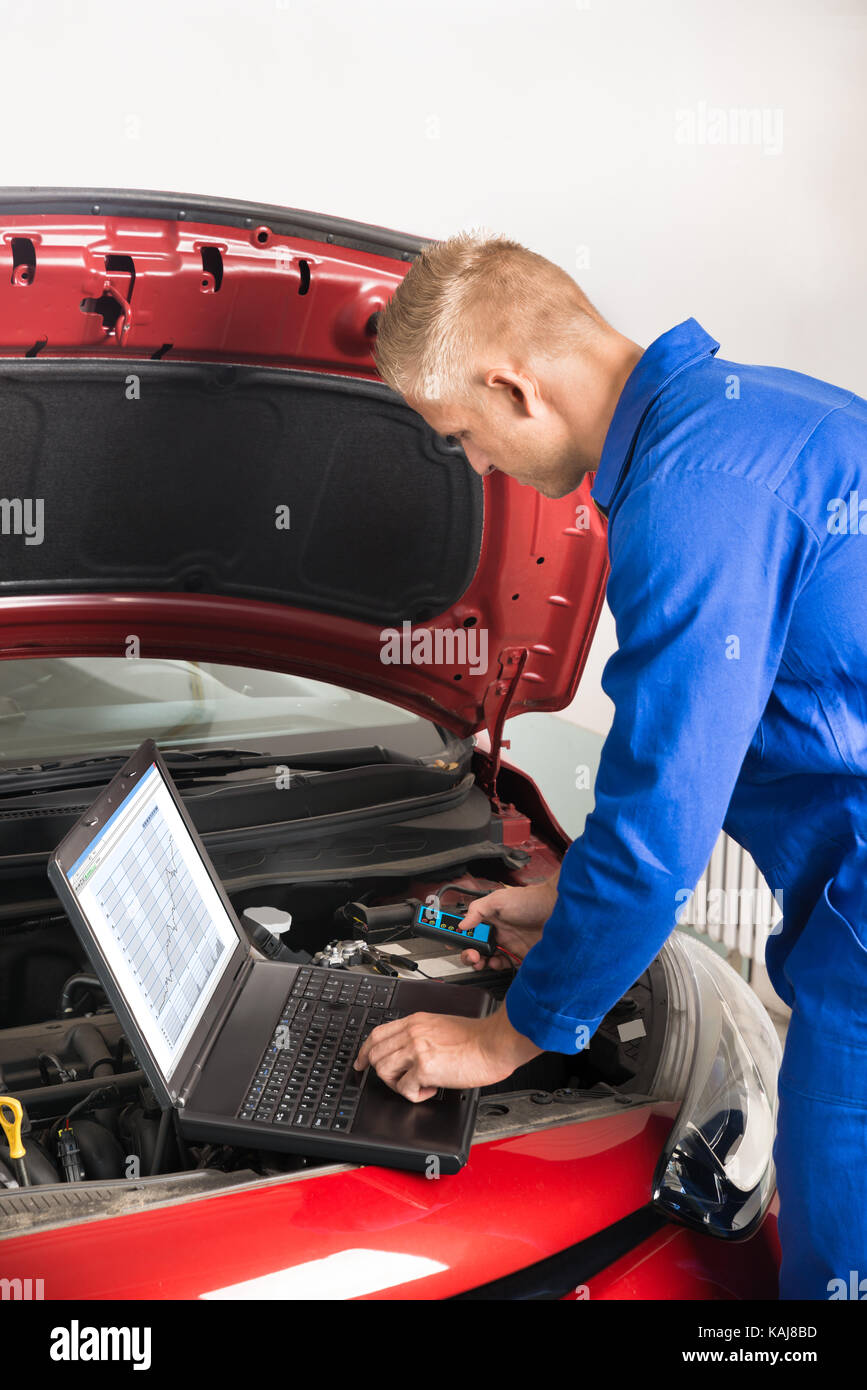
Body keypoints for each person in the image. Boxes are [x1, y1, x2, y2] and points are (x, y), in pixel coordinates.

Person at [352, 229, 867, 1300]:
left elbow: (657, 831)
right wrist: (567, 888)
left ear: (512, 385)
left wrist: (503, 1040)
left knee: (835, 1255)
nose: (484, 469)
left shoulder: (692, 499)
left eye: (466, 437)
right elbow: (715, 743)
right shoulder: (742, 415)